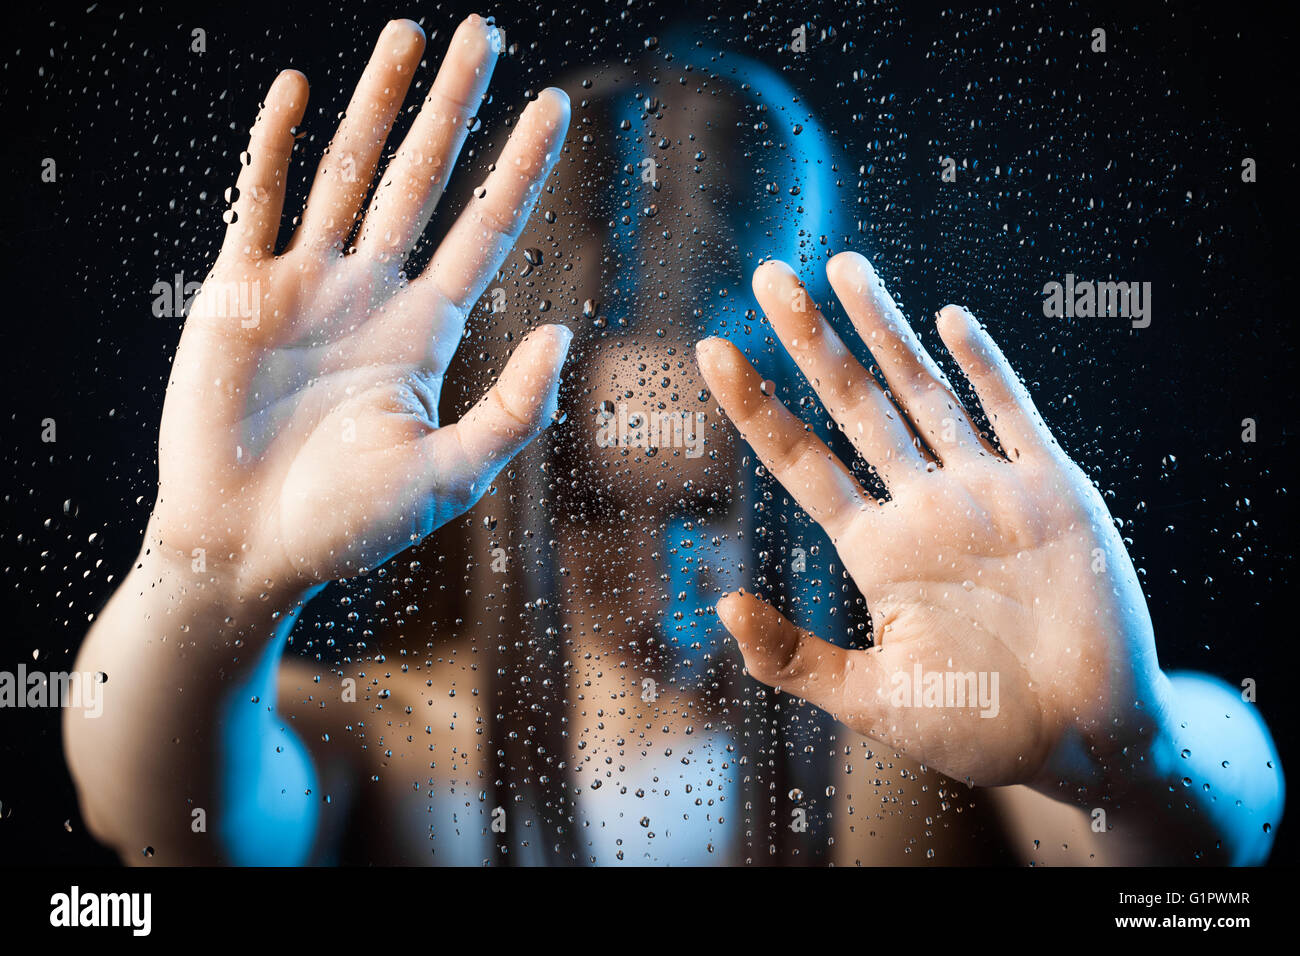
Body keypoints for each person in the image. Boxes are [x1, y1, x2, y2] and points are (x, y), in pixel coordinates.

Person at [63, 14, 1283, 867]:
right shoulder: (377, 742)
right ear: (499, 480)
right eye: (592, 502)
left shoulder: (929, 739)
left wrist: (1134, 752)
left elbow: (1214, 840)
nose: (657, 575)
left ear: (799, 463)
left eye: (708, 500)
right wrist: (208, 572)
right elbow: (158, 821)